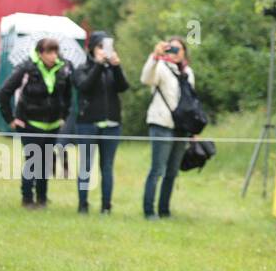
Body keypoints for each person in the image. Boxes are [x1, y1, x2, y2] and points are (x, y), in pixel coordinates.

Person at [0, 37, 73, 208]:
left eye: (55, 51)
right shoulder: (26, 69)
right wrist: (10, 119)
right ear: (40, 53)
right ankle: (27, 198)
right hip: (30, 123)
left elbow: (68, 95)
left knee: (46, 161)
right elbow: (4, 92)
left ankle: (42, 198)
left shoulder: (64, 69)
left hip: (52, 125)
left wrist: (63, 116)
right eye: (49, 52)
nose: (53, 56)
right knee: (33, 161)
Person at [72, 31, 129, 214]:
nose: (103, 51)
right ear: (92, 49)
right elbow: (85, 86)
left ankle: (106, 206)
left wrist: (116, 67)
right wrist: (98, 65)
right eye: (100, 47)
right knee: (85, 165)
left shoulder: (112, 69)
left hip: (112, 125)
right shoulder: (82, 68)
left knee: (107, 167)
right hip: (87, 124)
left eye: (106, 47)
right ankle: (83, 204)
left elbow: (123, 87)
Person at [140, 37, 194, 219]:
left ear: (184, 52)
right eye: (172, 48)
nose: (175, 53)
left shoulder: (188, 72)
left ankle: (164, 210)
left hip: (181, 127)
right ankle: (149, 210)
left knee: (172, 172)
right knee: (157, 169)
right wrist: (155, 57)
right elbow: (145, 78)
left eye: (179, 49)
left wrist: (192, 130)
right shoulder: (161, 68)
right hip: (161, 124)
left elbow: (191, 102)